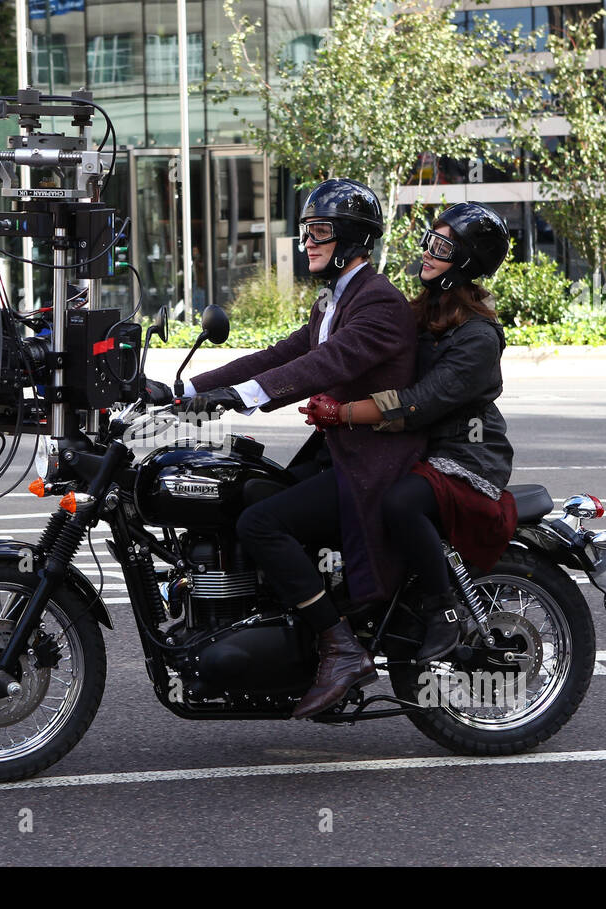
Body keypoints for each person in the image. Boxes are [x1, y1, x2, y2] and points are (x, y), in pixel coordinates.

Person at [181, 178, 426, 719]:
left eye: (319, 232)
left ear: (352, 240)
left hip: (372, 466)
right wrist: (189, 389)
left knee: (260, 523)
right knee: (244, 494)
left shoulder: (379, 303)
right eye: (307, 232)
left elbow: (324, 365)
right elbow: (281, 353)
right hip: (339, 452)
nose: (308, 243)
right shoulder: (335, 299)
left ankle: (340, 648)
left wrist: (239, 397)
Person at [302, 202, 517, 664]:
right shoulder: (420, 313)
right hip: (417, 445)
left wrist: (344, 413)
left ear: (466, 259)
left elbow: (420, 402)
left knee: (399, 502)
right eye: (428, 241)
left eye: (441, 246)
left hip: (465, 455)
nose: (427, 252)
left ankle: (444, 612)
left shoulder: (478, 336)